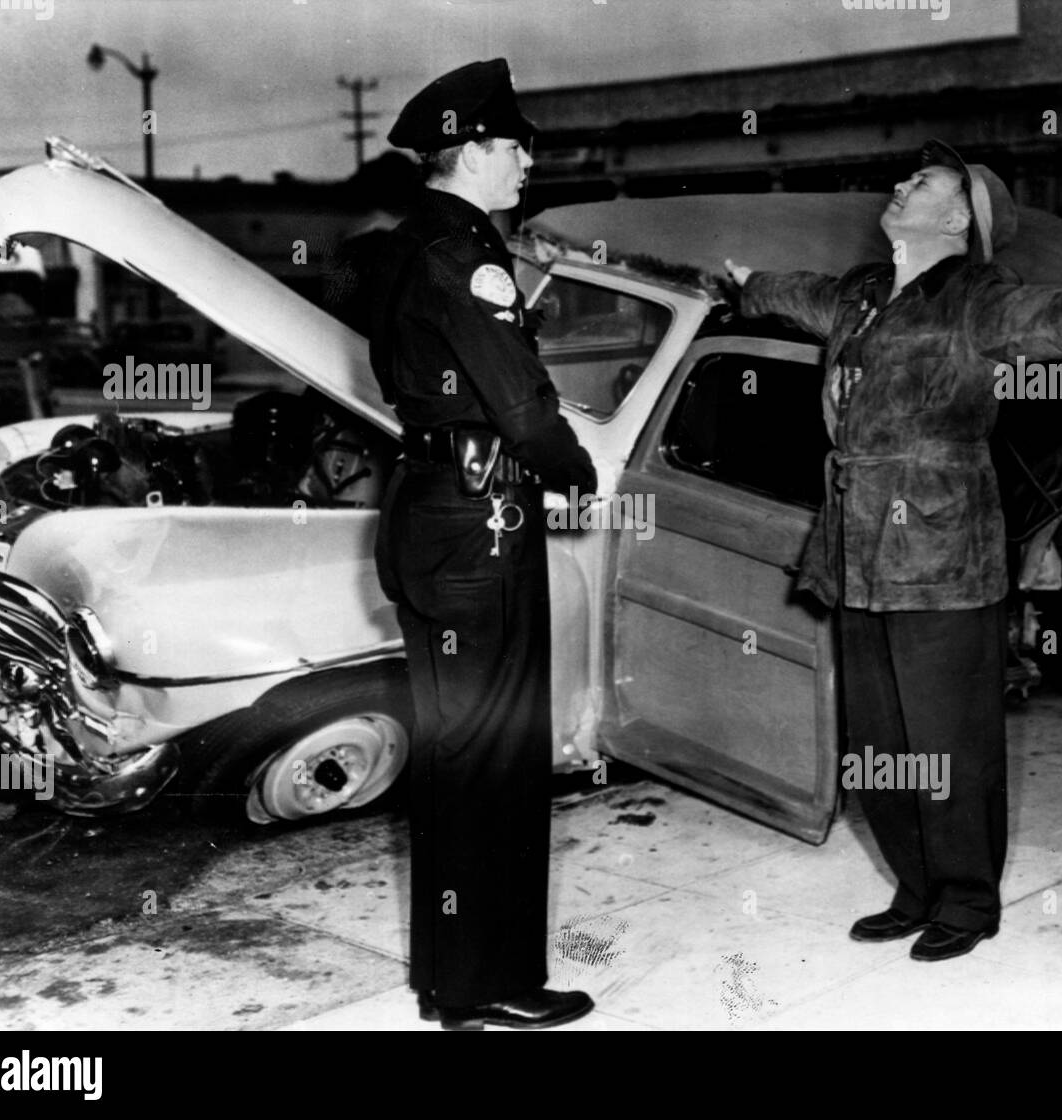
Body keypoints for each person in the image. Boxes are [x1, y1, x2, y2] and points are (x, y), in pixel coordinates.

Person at [726, 139, 1062, 961]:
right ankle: (914, 885)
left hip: (940, 548)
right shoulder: (860, 294)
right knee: (878, 743)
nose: (900, 182)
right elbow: (792, 295)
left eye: (921, 180)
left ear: (958, 215)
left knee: (947, 741)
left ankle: (966, 899)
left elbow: (1049, 317)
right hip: (855, 547)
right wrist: (743, 284)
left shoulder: (975, 296)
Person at [369, 59, 598, 1027]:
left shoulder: (401, 244)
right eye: (514, 146)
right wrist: (574, 469)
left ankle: (454, 979)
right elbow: (519, 401)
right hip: (480, 526)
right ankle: (485, 988)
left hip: (437, 514)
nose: (527, 161)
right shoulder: (465, 254)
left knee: (462, 751)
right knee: (490, 759)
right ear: (468, 154)